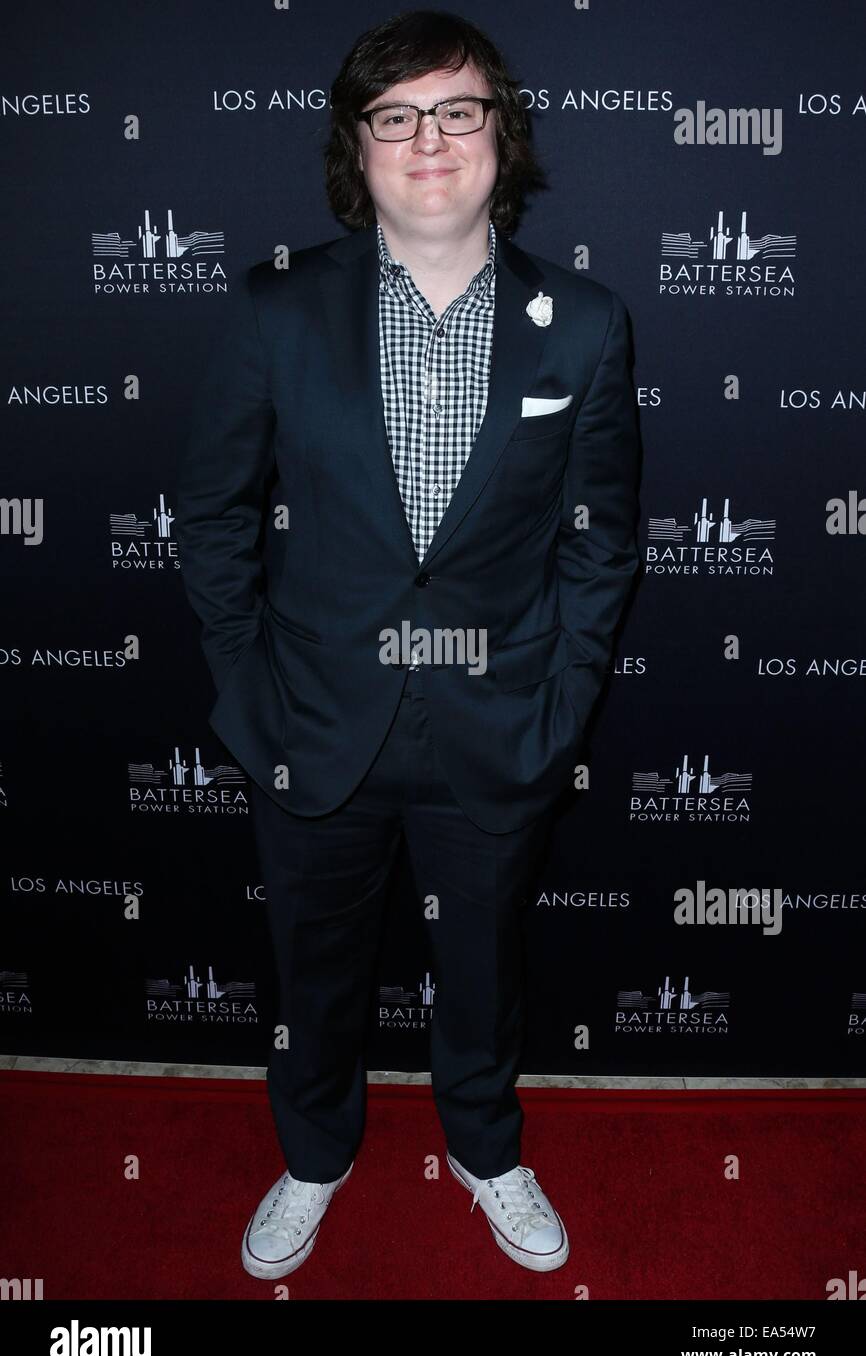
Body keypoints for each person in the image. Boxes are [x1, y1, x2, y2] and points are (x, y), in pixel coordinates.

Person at [176, 9, 641, 1282]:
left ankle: (486, 1150)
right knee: (309, 969)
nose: (426, 139)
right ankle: (313, 1156)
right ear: (358, 147)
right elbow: (212, 517)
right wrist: (247, 691)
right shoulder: (276, 312)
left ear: (500, 135)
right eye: (394, 115)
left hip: (498, 726)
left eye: (455, 110)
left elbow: (602, 539)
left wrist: (562, 705)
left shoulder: (585, 323)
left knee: (483, 967)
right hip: (314, 723)